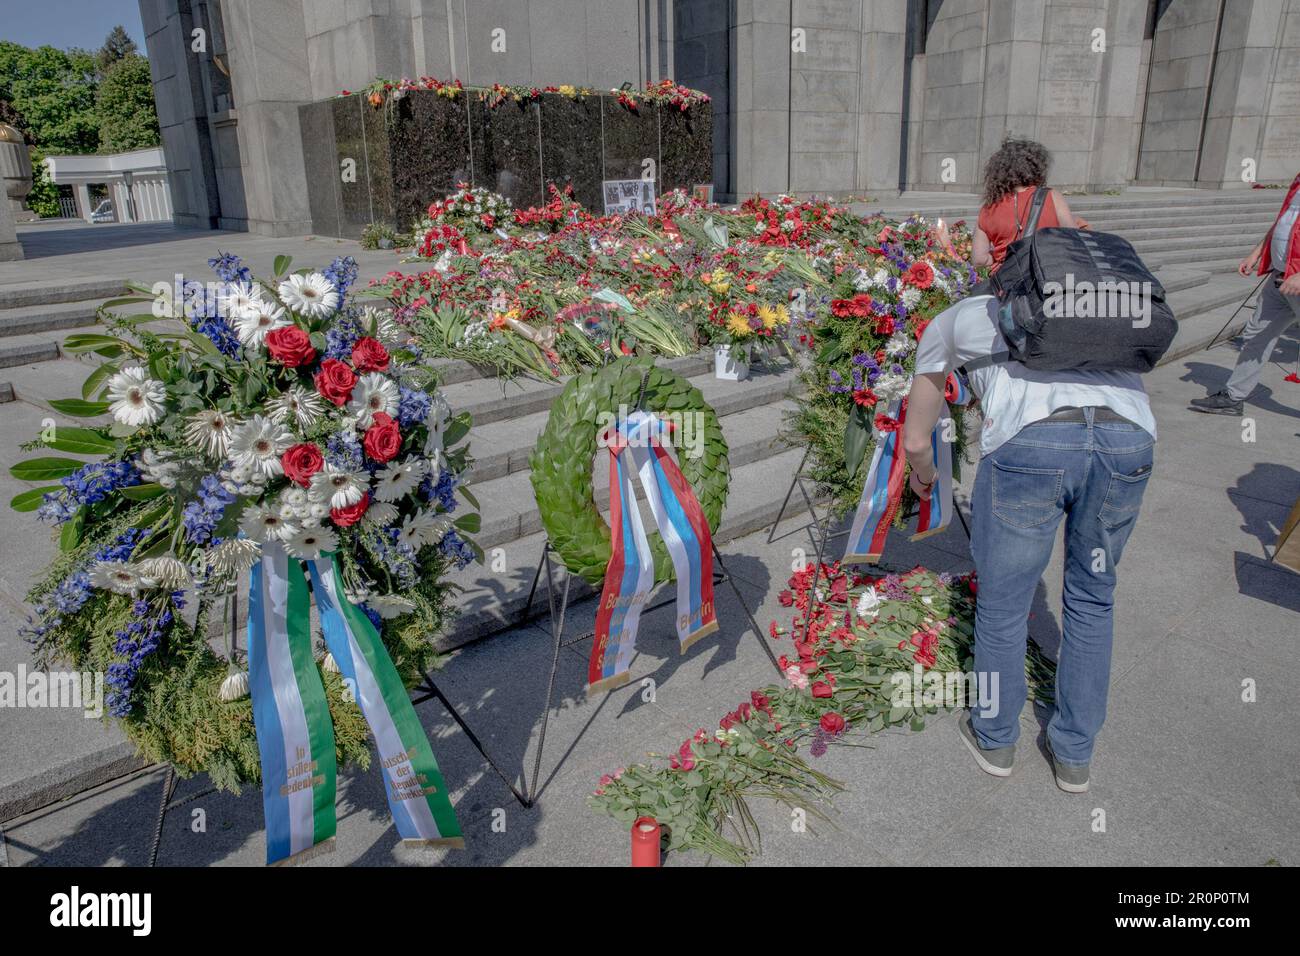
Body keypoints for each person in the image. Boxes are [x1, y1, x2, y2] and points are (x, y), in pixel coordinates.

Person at [902, 295, 1156, 793]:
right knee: (1092, 597)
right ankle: (1074, 755)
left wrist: (926, 477)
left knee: (1003, 605)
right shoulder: (1097, 301)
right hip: (1129, 440)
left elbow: (915, 440)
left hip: (1033, 443)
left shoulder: (964, 315)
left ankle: (995, 738)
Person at [1190, 171, 1300, 416]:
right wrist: (1257, 252)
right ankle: (1233, 397)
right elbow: (1284, 221)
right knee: (1256, 336)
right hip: (1281, 277)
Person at [971, 138, 1087, 274]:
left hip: (1008, 280)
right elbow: (1073, 238)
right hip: (1047, 275)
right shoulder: (1051, 196)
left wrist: (1000, 257)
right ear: (1036, 168)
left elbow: (979, 260)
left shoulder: (989, 207)